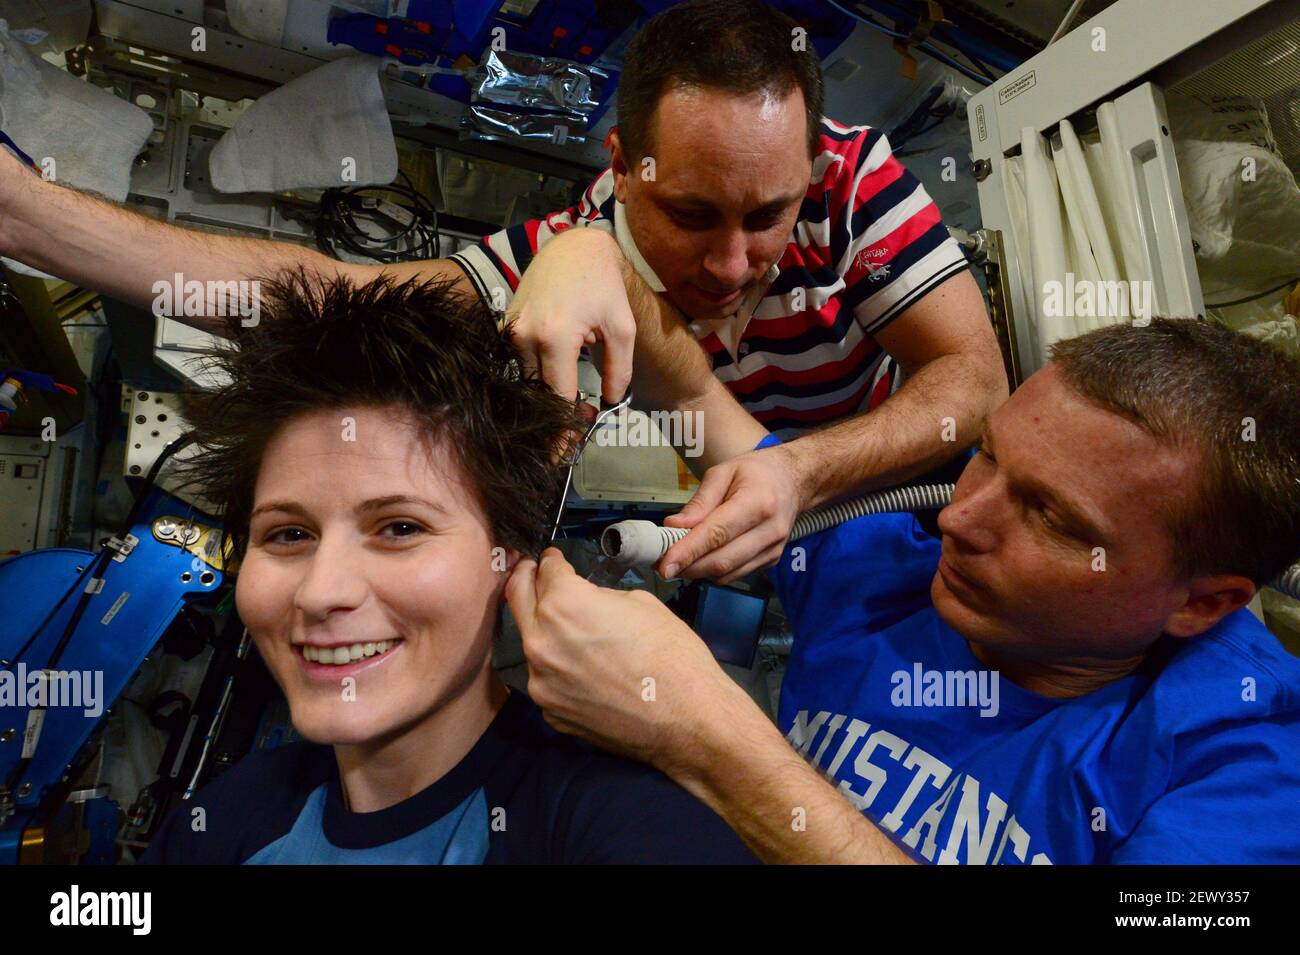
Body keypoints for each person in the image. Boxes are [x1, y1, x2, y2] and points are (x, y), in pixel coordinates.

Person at [0, 0, 1006, 584]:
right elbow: (331, 288)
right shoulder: (571, 247)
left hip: (921, 506)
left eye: (768, 215)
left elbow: (974, 383)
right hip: (776, 528)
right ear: (626, 165)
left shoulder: (857, 177)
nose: (735, 264)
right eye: (693, 217)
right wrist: (34, 219)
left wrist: (803, 472)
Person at [507, 313, 1300, 864]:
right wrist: (592, 260)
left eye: (1053, 517)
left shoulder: (1250, 774)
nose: (959, 518)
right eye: (987, 457)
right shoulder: (892, 572)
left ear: (1202, 603)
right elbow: (685, 388)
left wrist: (709, 740)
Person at [141, 269, 756, 864]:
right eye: (289, 534)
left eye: (400, 528)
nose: (320, 592)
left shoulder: (622, 825)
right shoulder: (216, 828)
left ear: (510, 559)